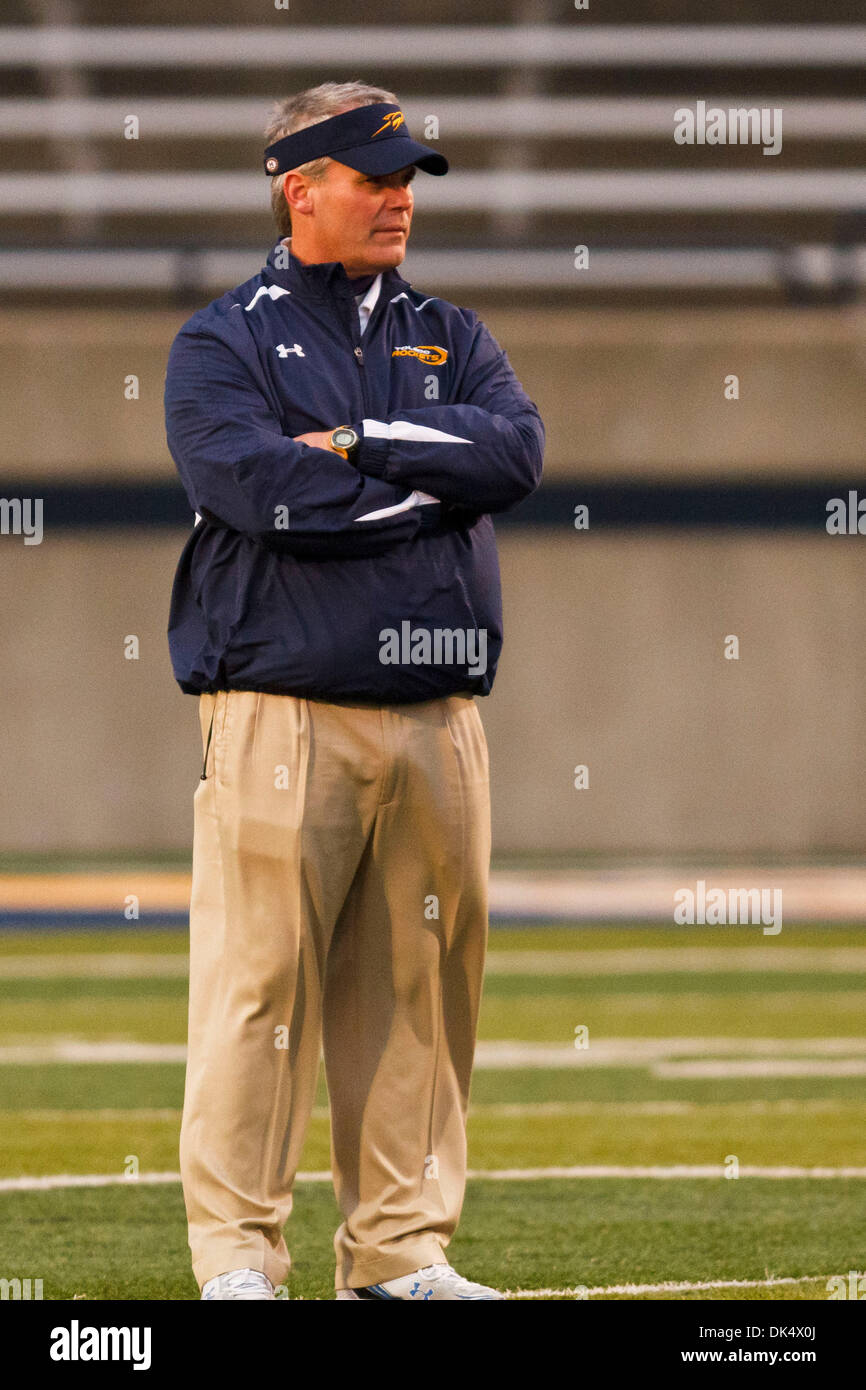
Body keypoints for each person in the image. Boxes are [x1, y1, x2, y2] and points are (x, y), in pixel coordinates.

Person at [164, 81, 544, 1301]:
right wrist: (431, 481)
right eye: (374, 176)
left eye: (406, 179)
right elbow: (261, 494)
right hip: (281, 711)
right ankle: (236, 1262)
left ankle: (398, 1254)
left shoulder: (452, 330)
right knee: (256, 990)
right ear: (299, 187)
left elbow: (516, 456)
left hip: (440, 717)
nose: (397, 199)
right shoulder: (220, 339)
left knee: (421, 998)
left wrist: (361, 444)